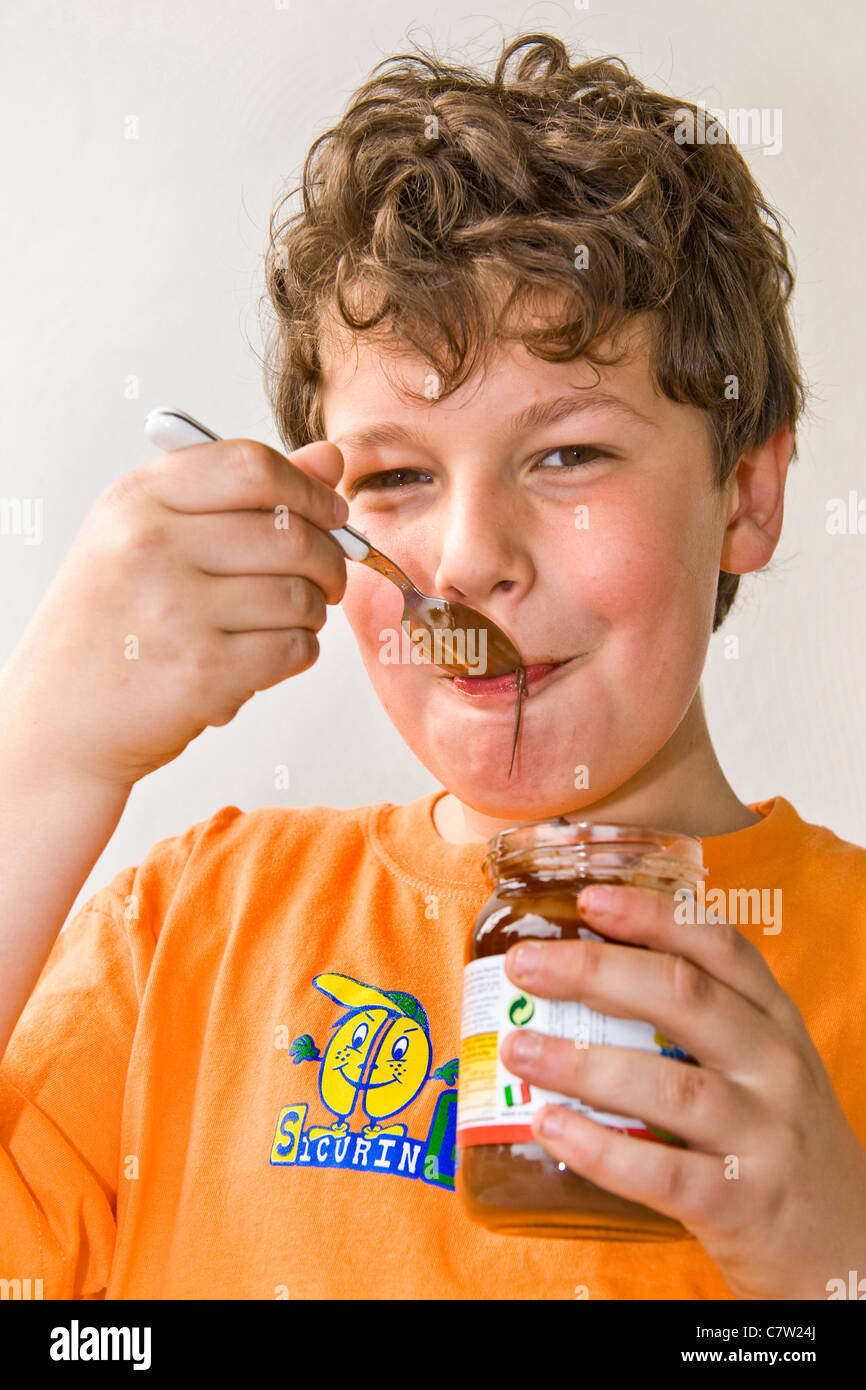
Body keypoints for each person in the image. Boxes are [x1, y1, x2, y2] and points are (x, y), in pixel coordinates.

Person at [1, 31, 864, 1301]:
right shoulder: (182, 930)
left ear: (743, 491)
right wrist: (41, 763)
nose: (464, 559)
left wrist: (833, 1269)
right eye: (395, 476)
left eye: (566, 454)